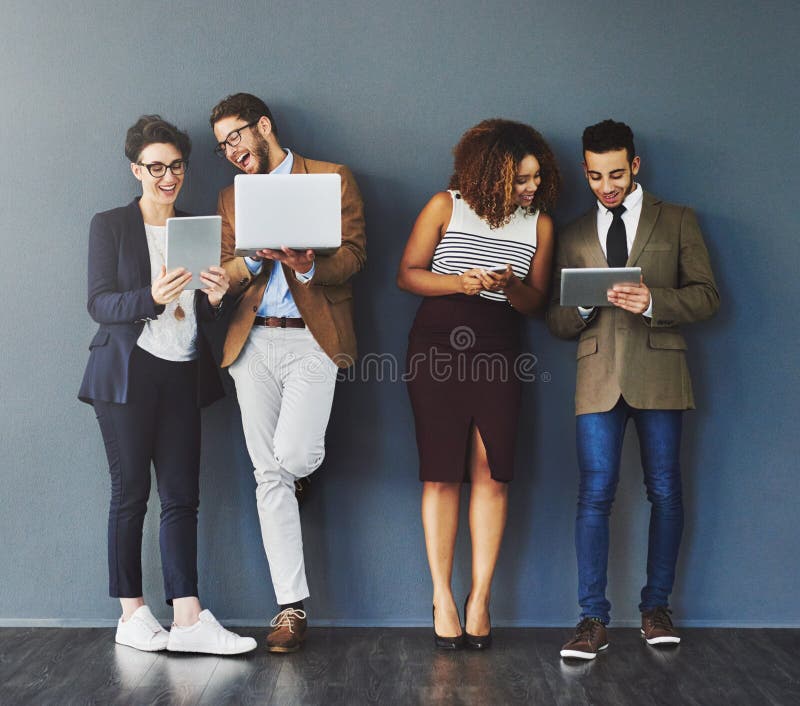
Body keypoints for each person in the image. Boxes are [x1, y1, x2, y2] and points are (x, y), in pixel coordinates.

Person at [78, 115, 256, 655]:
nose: (167, 177)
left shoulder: (197, 227)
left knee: (183, 497)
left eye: (176, 166)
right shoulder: (109, 225)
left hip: (182, 368)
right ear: (136, 169)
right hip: (126, 374)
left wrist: (219, 295)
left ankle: (188, 618)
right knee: (130, 494)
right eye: (156, 168)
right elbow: (99, 303)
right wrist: (150, 298)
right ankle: (131, 615)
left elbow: (203, 314)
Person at [547, 119, 719, 660]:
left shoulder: (679, 219)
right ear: (586, 172)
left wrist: (653, 303)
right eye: (596, 176)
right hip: (597, 377)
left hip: (661, 372)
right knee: (594, 495)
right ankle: (592, 619)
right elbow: (555, 319)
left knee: (665, 490)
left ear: (635, 166)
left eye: (616, 174)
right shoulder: (572, 232)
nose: (606, 186)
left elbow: (708, 297)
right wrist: (578, 305)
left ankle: (656, 608)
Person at [209, 93, 366, 653]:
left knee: (293, 458)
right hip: (252, 343)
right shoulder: (231, 197)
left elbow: (354, 254)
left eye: (236, 136)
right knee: (267, 476)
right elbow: (226, 268)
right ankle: (290, 608)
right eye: (222, 144)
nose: (230, 150)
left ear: (263, 127)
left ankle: (303, 471)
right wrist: (248, 261)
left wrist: (309, 264)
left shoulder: (330, 177)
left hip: (313, 339)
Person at [397, 119, 559, 649]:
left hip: (499, 342)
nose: (530, 188)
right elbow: (408, 274)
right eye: (520, 179)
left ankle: (480, 597)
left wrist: (510, 283)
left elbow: (537, 304)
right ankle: (442, 596)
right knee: (440, 471)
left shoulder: (540, 226)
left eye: (534, 178)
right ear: (491, 175)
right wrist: (460, 282)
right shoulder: (446, 205)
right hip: (437, 342)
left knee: (493, 471)